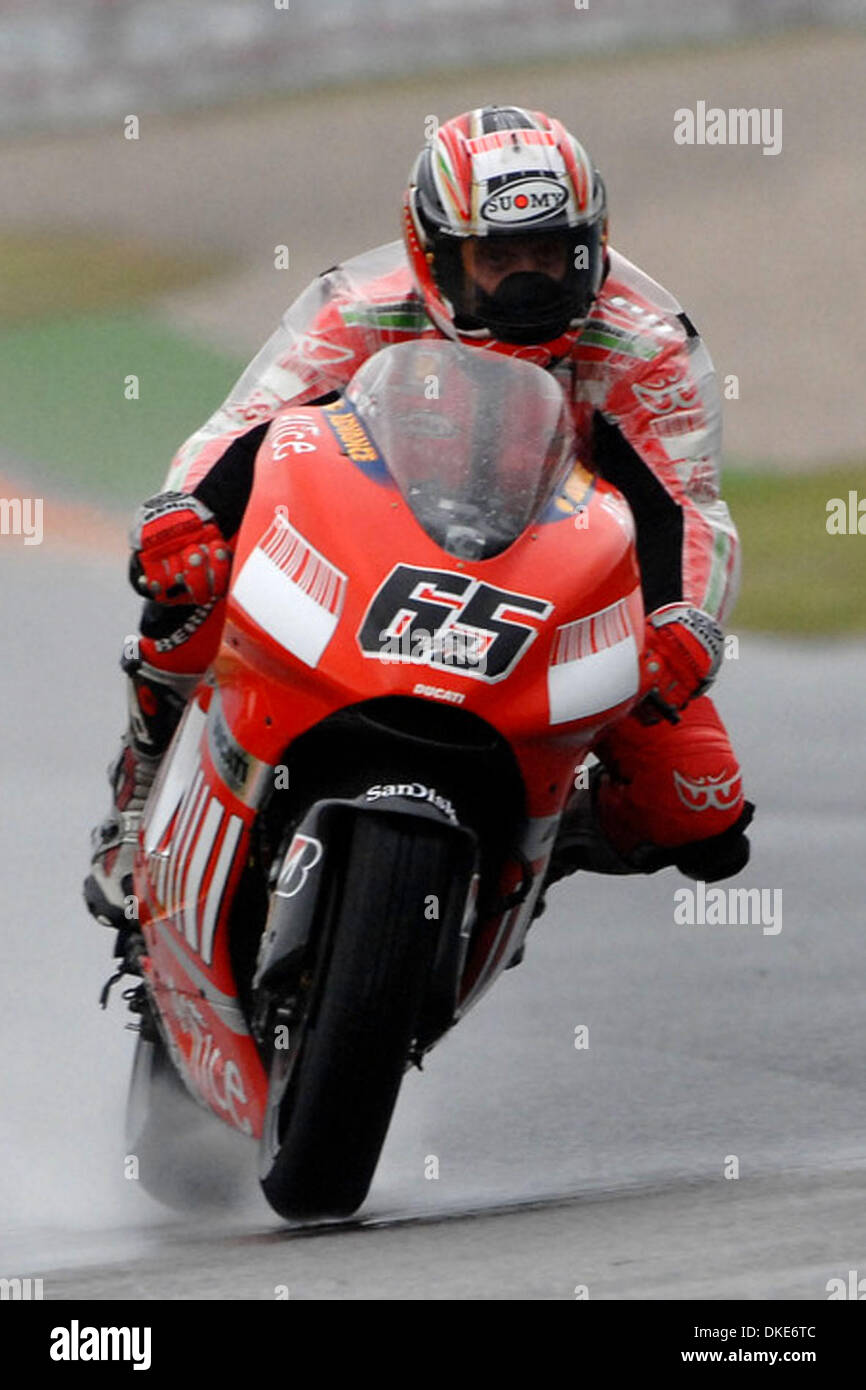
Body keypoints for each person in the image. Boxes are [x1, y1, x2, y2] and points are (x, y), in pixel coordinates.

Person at [84, 104, 753, 932]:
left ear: (594, 244)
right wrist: (180, 513)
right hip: (364, 547)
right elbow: (243, 429)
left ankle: (535, 845)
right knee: (192, 565)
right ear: (434, 255)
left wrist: (686, 620)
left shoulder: (645, 345)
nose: (529, 283)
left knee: (703, 811)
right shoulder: (361, 311)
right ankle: (141, 783)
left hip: (552, 587)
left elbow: (685, 502)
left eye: (553, 253)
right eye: (499, 257)